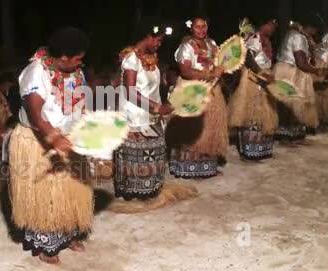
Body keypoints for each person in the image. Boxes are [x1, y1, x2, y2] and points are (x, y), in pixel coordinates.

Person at [8, 27, 93, 264]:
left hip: (69, 136)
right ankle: (48, 244)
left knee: (73, 190)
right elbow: (36, 115)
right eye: (77, 59)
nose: (80, 63)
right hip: (39, 140)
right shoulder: (35, 72)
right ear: (63, 57)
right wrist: (54, 138)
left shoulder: (75, 72)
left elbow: (81, 100)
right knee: (47, 196)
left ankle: (70, 233)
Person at [114, 20, 173, 199]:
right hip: (135, 117)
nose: (159, 44)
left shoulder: (151, 59)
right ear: (147, 37)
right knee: (135, 156)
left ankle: (149, 188)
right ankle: (132, 191)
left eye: (161, 41)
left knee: (152, 154)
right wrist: (156, 107)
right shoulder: (131, 59)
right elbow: (130, 92)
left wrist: (160, 107)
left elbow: (153, 89)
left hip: (151, 115)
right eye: (157, 40)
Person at [166, 15, 227, 178]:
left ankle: (207, 166)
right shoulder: (186, 47)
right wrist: (208, 75)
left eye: (204, 26)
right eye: (197, 26)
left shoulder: (212, 44)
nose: (201, 30)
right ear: (191, 28)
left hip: (211, 91)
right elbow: (185, 71)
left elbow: (219, 63)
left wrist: (222, 68)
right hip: (191, 89)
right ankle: (186, 167)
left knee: (209, 128)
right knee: (191, 129)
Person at [228, 16, 279, 160]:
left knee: (265, 112)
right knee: (251, 112)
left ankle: (262, 148)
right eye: (272, 24)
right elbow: (247, 57)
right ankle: (249, 149)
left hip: (264, 77)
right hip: (252, 79)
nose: (274, 28)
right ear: (264, 24)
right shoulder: (252, 37)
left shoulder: (267, 39)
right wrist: (260, 73)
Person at [274, 15, 328, 142]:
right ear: (312, 28)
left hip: (283, 70)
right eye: (316, 30)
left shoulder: (293, 33)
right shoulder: (298, 37)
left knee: (288, 103)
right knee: (292, 103)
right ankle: (286, 132)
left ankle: (287, 131)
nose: (315, 33)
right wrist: (318, 71)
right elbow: (301, 63)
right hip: (290, 72)